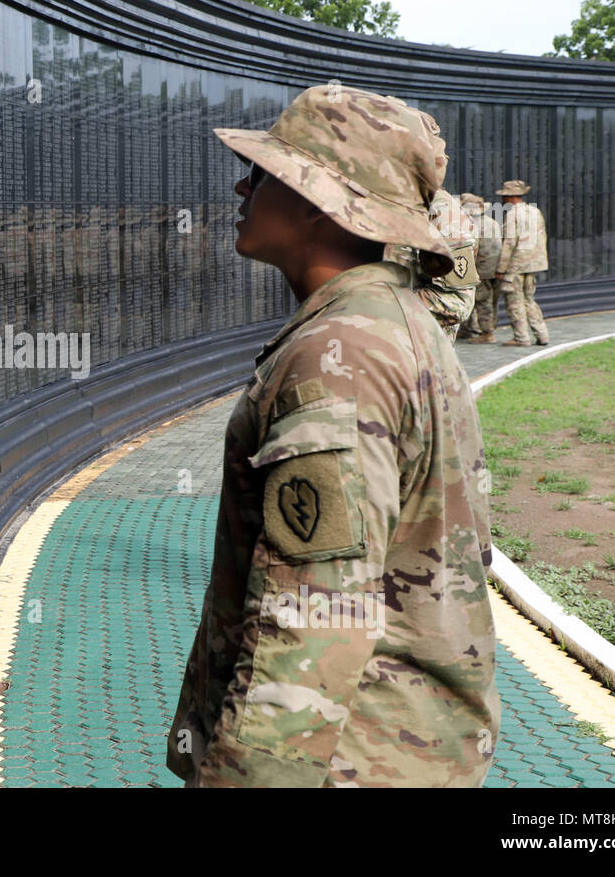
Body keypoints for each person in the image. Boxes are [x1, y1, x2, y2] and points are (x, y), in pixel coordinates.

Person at [165, 84, 500, 787]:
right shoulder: (392, 320)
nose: (241, 185)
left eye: (262, 174)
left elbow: (314, 621)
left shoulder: (339, 354)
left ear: (317, 201)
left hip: (346, 761)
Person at [384, 189, 478, 342]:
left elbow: (457, 301)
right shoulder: (373, 196)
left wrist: (381, 309)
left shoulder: (441, 210)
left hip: (417, 344)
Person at [494, 179, 549, 346]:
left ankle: (521, 337)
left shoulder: (513, 215)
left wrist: (501, 268)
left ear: (510, 197)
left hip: (516, 265)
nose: (502, 200)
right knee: (529, 300)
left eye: (504, 196)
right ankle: (542, 334)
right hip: (533, 263)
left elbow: (509, 243)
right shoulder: (535, 211)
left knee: (514, 301)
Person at [461, 193, 503, 343]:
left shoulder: (470, 225)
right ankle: (473, 329)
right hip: (496, 268)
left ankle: (487, 333)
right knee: (492, 301)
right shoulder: (493, 223)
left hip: (480, 269)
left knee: (481, 300)